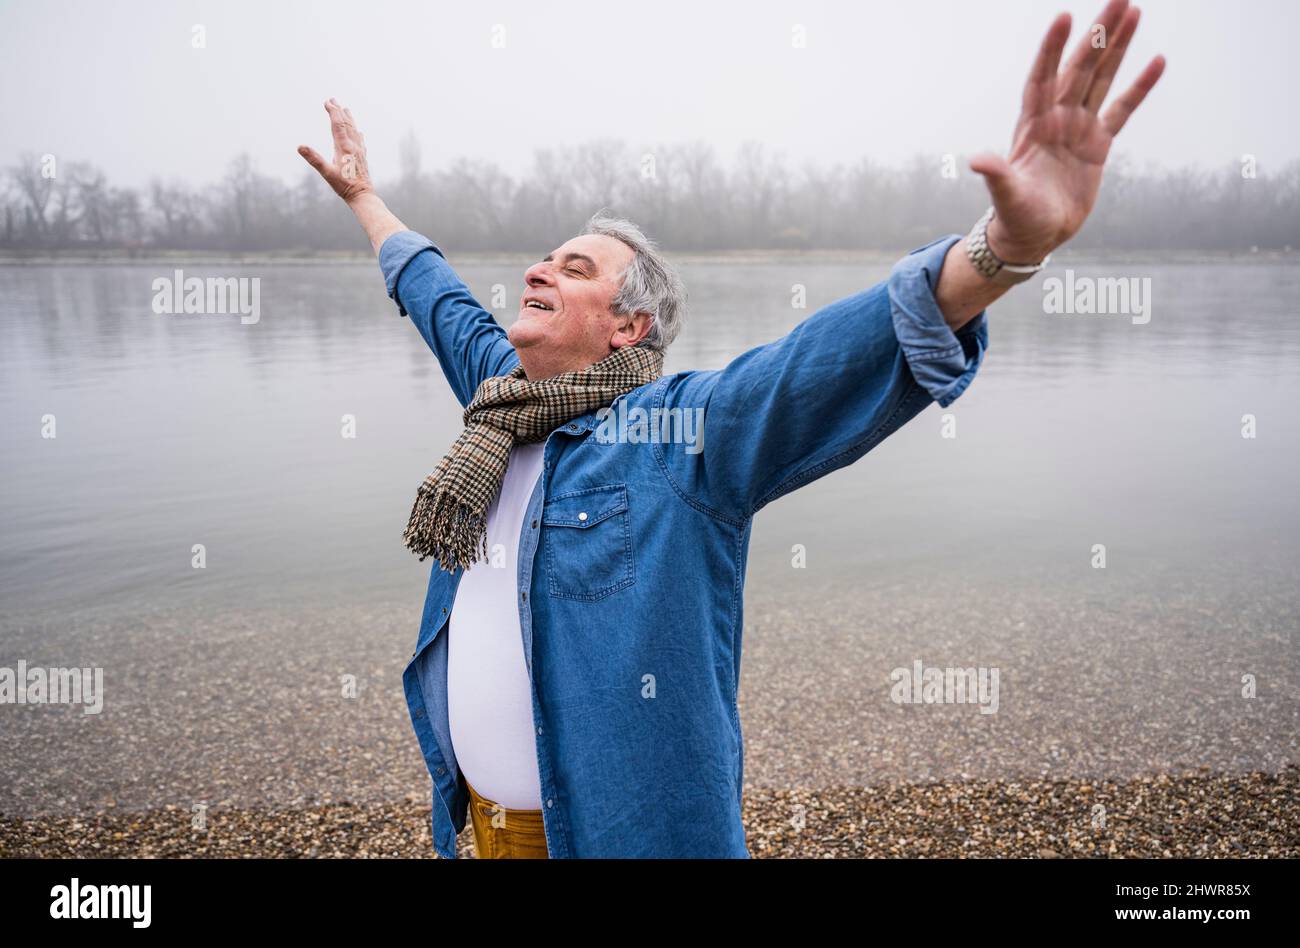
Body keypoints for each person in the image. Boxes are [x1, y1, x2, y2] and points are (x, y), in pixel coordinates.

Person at [298, 0, 1163, 858]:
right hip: (478, 835)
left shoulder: (676, 434)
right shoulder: (499, 404)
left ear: (628, 326)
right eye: (543, 258)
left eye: (575, 267)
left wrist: (999, 253)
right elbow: (433, 291)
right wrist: (367, 198)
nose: (536, 268)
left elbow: (817, 365)